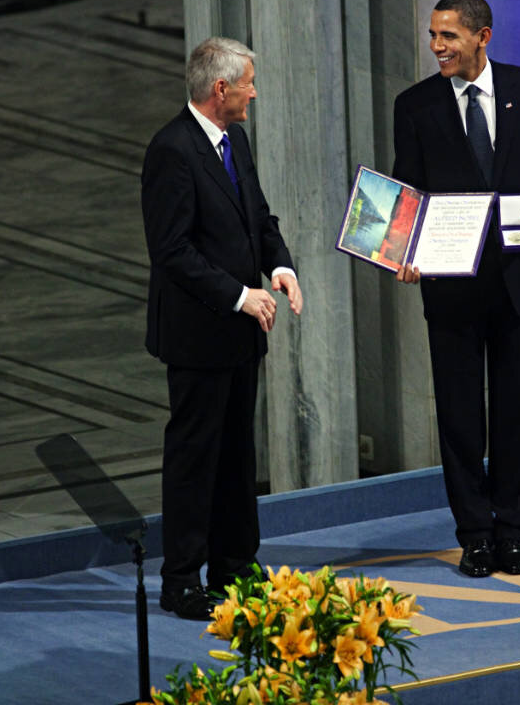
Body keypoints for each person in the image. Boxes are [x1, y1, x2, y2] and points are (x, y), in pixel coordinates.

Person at [392, 0, 520, 577]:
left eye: (448, 36)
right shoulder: (414, 105)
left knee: (517, 414)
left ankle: (512, 531)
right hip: (450, 288)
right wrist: (404, 250)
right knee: (460, 416)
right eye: (433, 36)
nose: (437, 47)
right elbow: (407, 193)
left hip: (519, 282)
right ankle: (474, 535)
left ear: (482, 37)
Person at [141, 37, 302, 619]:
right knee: (195, 457)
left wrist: (280, 266)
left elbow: (256, 214)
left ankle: (234, 563)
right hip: (197, 334)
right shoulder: (171, 151)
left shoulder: (235, 138)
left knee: (237, 453)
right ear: (221, 89)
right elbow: (172, 251)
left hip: (240, 332)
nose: (255, 92)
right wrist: (239, 295)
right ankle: (182, 577)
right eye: (249, 83)